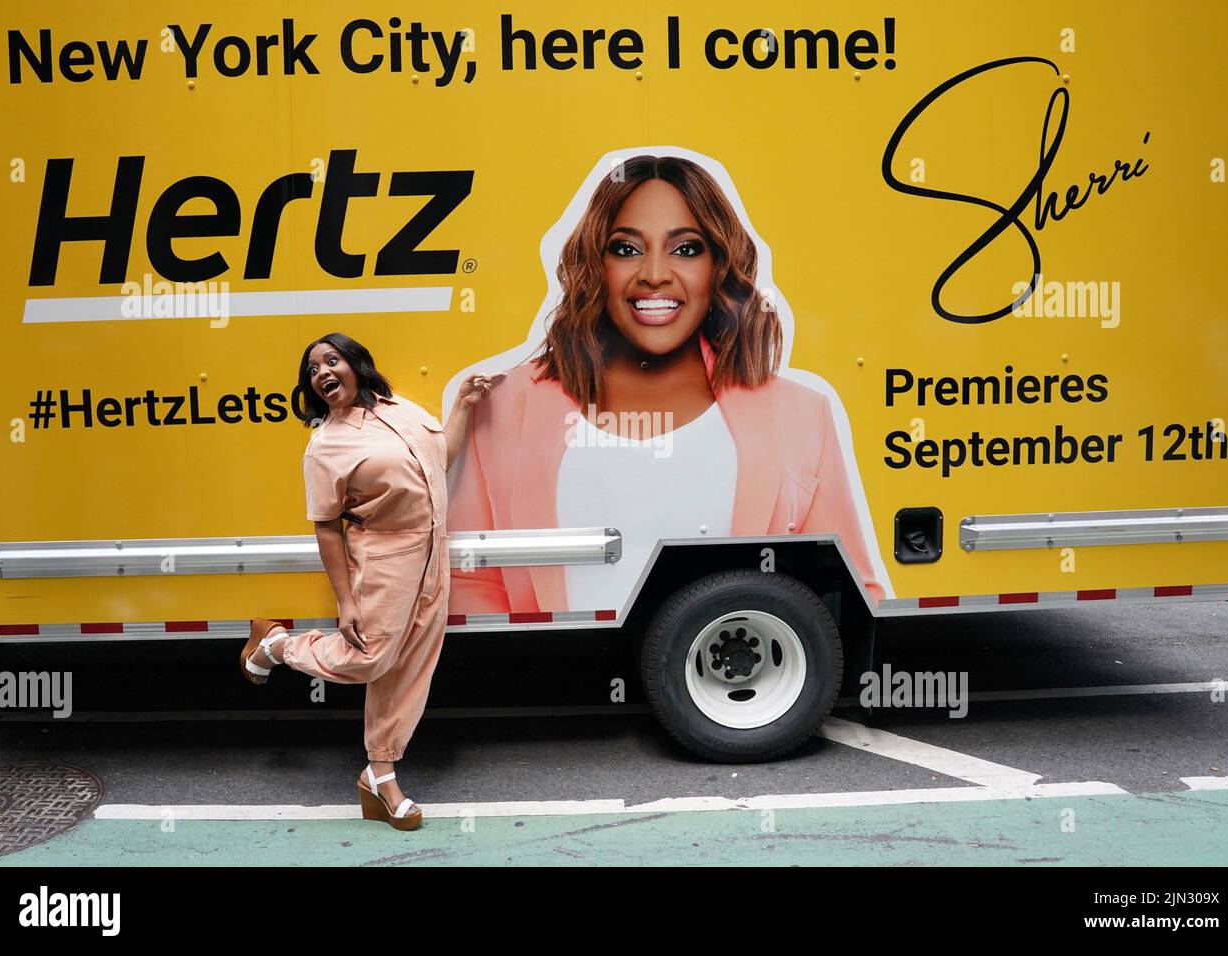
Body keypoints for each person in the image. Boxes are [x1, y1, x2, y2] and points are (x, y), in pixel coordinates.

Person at [447, 154, 886, 615]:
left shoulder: (801, 414)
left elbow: (845, 592)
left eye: (686, 249)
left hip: (727, 681)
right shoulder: (505, 403)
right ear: (596, 264)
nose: (654, 273)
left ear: (719, 263)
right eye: (626, 248)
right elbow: (469, 579)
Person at [239, 332, 496, 831]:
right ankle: (275, 646)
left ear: (356, 364)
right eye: (313, 370)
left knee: (410, 665)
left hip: (432, 552)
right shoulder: (325, 446)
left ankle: (381, 774)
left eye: (331, 361)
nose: (323, 373)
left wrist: (464, 404)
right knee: (370, 657)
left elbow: (439, 462)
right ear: (311, 388)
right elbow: (326, 527)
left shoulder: (401, 409)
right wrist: (345, 601)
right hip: (384, 557)